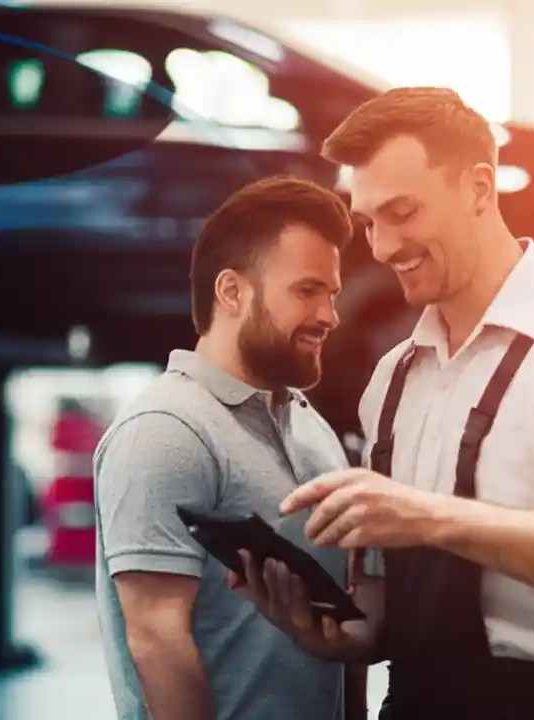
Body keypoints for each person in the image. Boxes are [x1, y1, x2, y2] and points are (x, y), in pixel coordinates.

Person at [231, 88, 534, 719]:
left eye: (402, 212)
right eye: (369, 223)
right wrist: (337, 633)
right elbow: (388, 606)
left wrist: (429, 518)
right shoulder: (394, 378)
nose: (383, 247)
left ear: (478, 189)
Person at [93, 175, 356, 719]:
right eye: (307, 291)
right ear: (232, 292)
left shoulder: (312, 428)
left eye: (331, 294)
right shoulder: (166, 428)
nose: (329, 315)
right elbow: (157, 640)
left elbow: (339, 628)